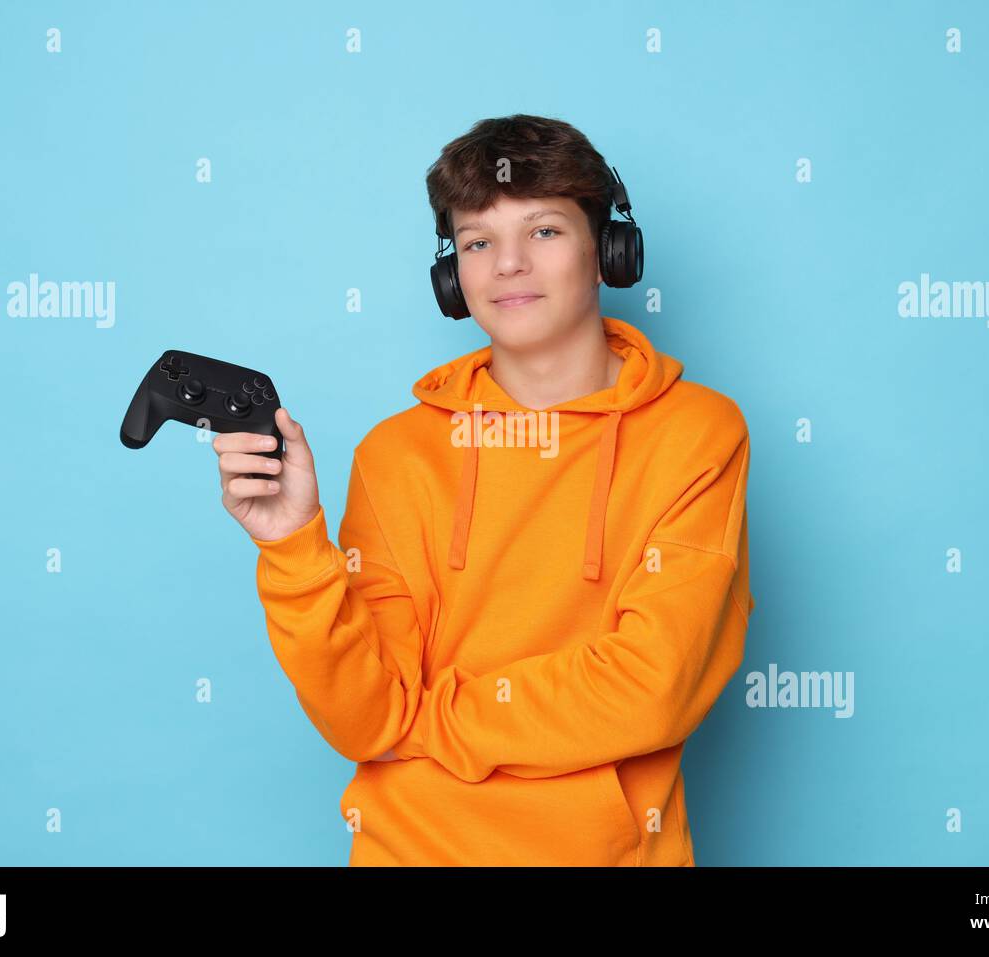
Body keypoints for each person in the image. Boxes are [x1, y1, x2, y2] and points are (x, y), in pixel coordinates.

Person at [214, 114, 755, 866]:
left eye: (543, 231)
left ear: (609, 253)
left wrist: (425, 723)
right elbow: (365, 718)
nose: (507, 265)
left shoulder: (696, 433)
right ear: (453, 278)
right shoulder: (394, 454)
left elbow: (650, 688)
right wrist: (291, 546)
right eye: (477, 242)